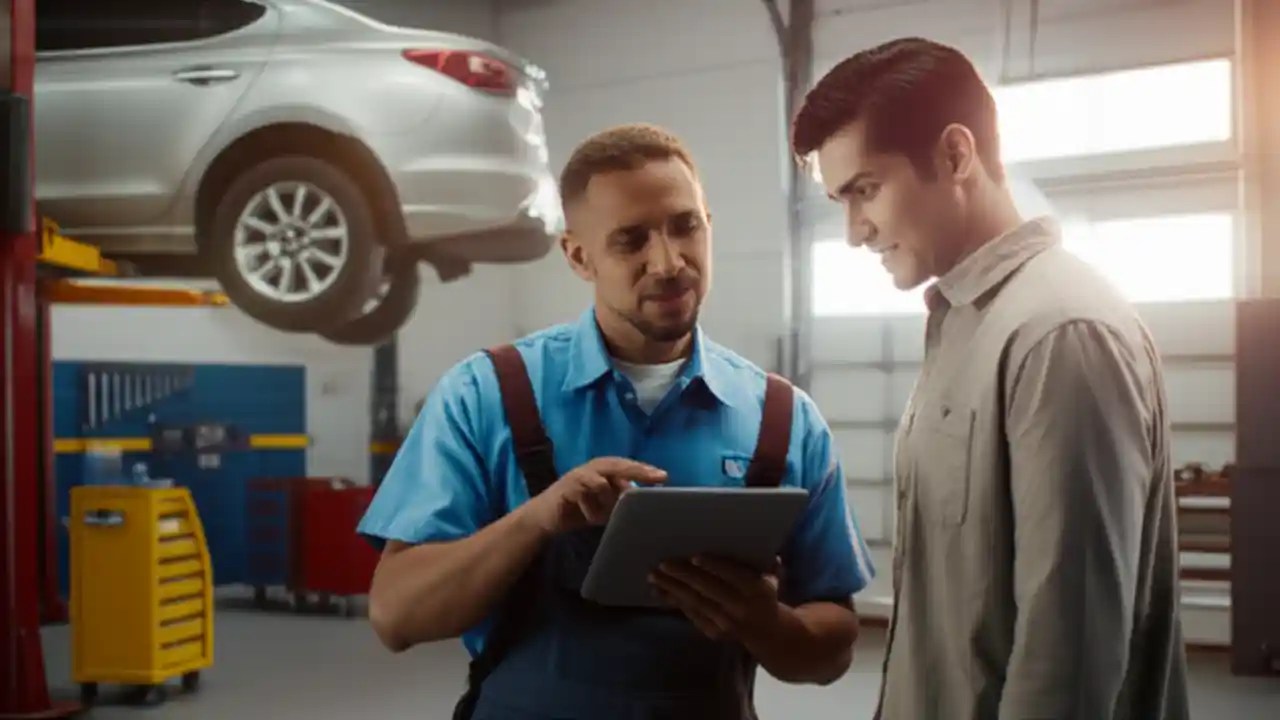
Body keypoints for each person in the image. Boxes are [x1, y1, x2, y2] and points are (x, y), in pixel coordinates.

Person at [358, 123, 875, 720]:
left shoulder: (784, 421)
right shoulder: (487, 396)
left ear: (710, 223)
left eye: (686, 226)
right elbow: (396, 617)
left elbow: (834, 644)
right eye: (631, 240)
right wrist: (534, 520)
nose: (669, 262)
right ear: (580, 256)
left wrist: (770, 626)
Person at [790, 37, 1191, 720]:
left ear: (954, 155)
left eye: (865, 190)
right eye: (840, 200)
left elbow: (1068, 662)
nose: (855, 230)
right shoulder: (968, 320)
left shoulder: (1061, 333)